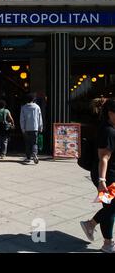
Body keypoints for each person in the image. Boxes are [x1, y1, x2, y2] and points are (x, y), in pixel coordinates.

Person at [80, 99, 115, 253]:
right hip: (107, 176)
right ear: (110, 113)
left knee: (111, 207)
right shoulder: (107, 130)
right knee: (110, 208)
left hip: (111, 174)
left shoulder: (111, 127)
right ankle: (108, 243)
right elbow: (104, 158)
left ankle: (91, 224)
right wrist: (102, 181)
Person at [20, 93, 43, 164]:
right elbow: (40, 118)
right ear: (34, 99)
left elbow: (22, 119)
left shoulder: (23, 107)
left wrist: (22, 128)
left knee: (27, 143)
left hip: (26, 128)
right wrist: (40, 127)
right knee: (34, 143)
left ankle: (28, 157)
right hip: (35, 128)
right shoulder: (37, 107)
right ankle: (35, 154)